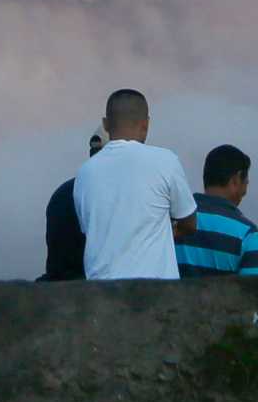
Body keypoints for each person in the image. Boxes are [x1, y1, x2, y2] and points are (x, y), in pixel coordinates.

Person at [73, 88, 199, 280]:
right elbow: (189, 223)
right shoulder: (166, 161)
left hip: (101, 296)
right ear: (146, 124)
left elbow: (91, 230)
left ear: (105, 124)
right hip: (157, 295)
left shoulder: (85, 173)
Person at [178, 144, 258, 278]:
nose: (245, 191)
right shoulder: (247, 233)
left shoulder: (176, 218)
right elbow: (255, 294)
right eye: (246, 183)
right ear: (236, 180)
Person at [41, 130, 105, 281]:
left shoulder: (62, 193)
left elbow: (56, 267)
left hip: (63, 290)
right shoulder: (127, 193)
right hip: (100, 290)